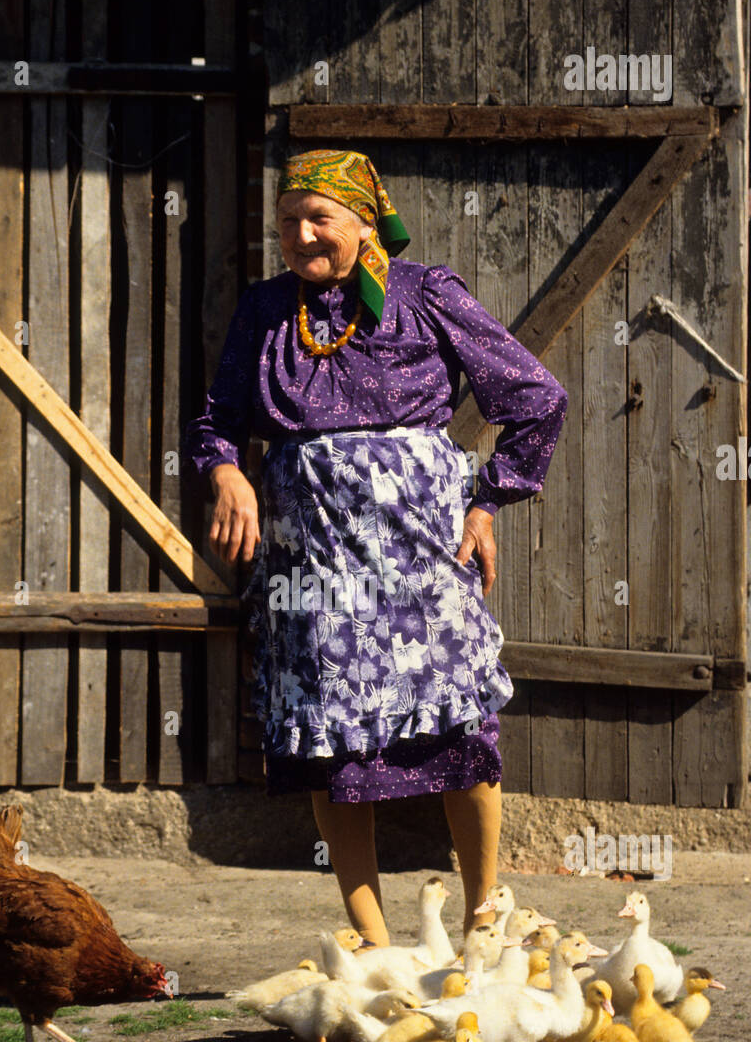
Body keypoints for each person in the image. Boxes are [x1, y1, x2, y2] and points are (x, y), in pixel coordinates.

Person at [183, 149, 567, 947]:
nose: (301, 234)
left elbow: (536, 398)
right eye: (288, 221)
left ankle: (482, 917)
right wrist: (226, 473)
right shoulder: (265, 310)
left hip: (420, 555)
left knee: (459, 729)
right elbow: (215, 420)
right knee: (332, 745)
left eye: (319, 218)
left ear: (364, 224)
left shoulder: (426, 294)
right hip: (312, 561)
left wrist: (489, 498)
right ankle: (377, 952)